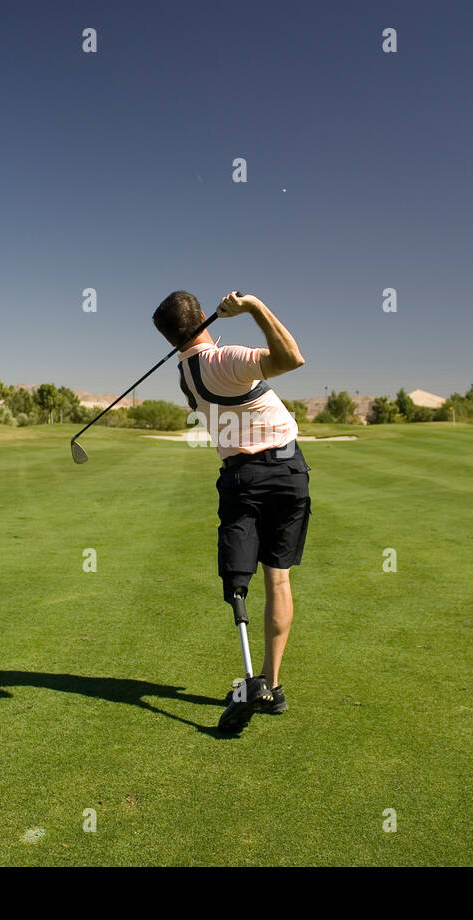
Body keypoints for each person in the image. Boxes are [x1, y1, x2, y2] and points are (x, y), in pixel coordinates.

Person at [152, 290, 311, 733]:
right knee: (277, 577)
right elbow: (292, 357)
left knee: (238, 576)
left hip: (242, 478)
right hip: (288, 470)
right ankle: (270, 686)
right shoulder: (226, 360)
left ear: (169, 340)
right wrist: (255, 307)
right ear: (204, 317)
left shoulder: (186, 373)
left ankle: (252, 682)